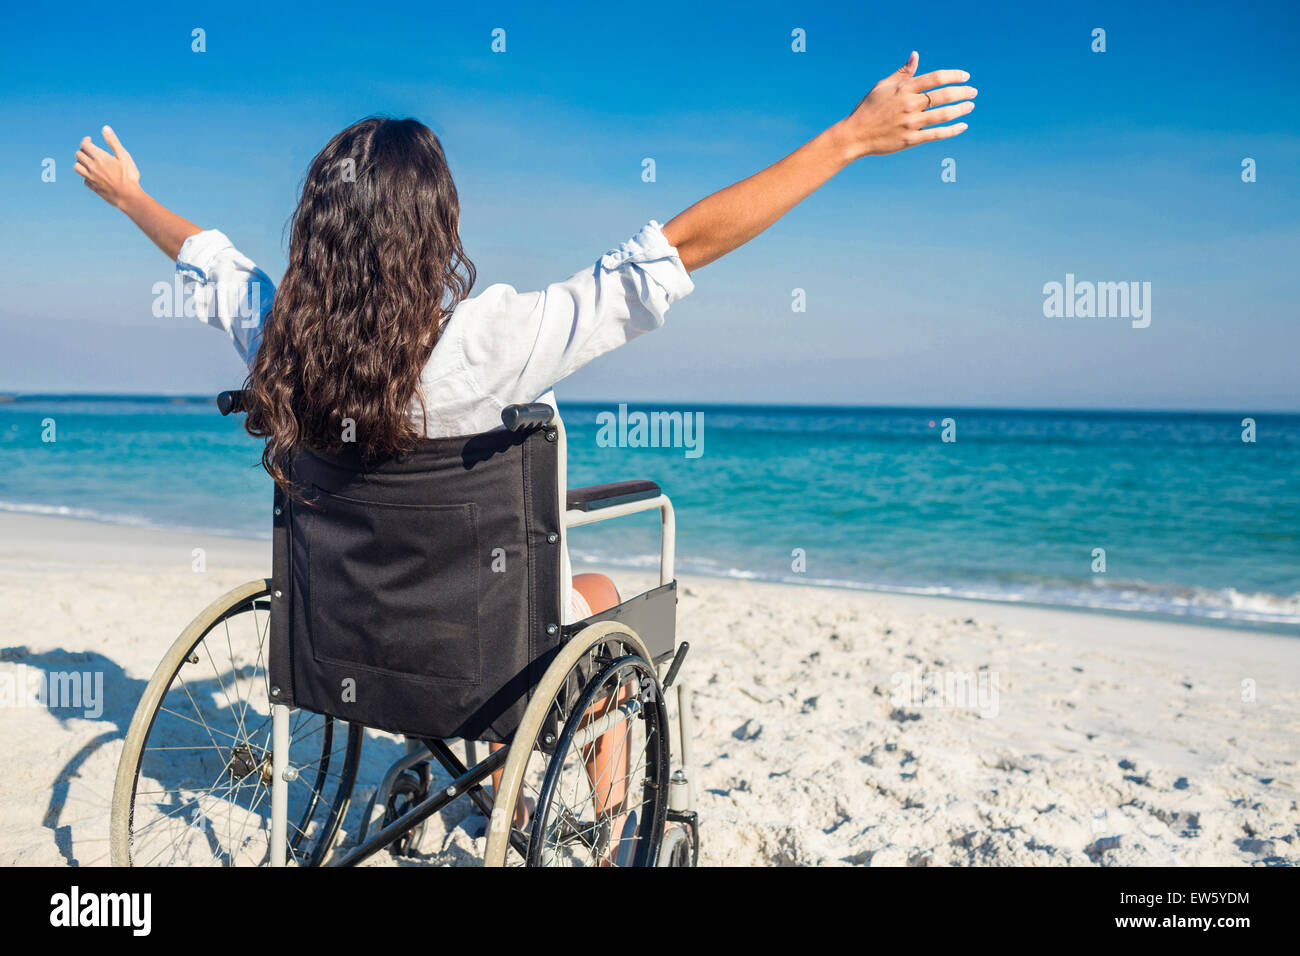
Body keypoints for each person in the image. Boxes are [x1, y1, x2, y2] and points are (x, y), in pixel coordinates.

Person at [74, 51, 974, 858]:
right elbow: (677, 250)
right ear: (434, 230)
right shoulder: (492, 341)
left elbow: (205, 257)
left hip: (342, 648)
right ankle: (617, 821)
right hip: (489, 659)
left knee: (515, 591)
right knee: (605, 600)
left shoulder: (280, 343)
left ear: (316, 231)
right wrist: (847, 140)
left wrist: (127, 197)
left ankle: (504, 771)